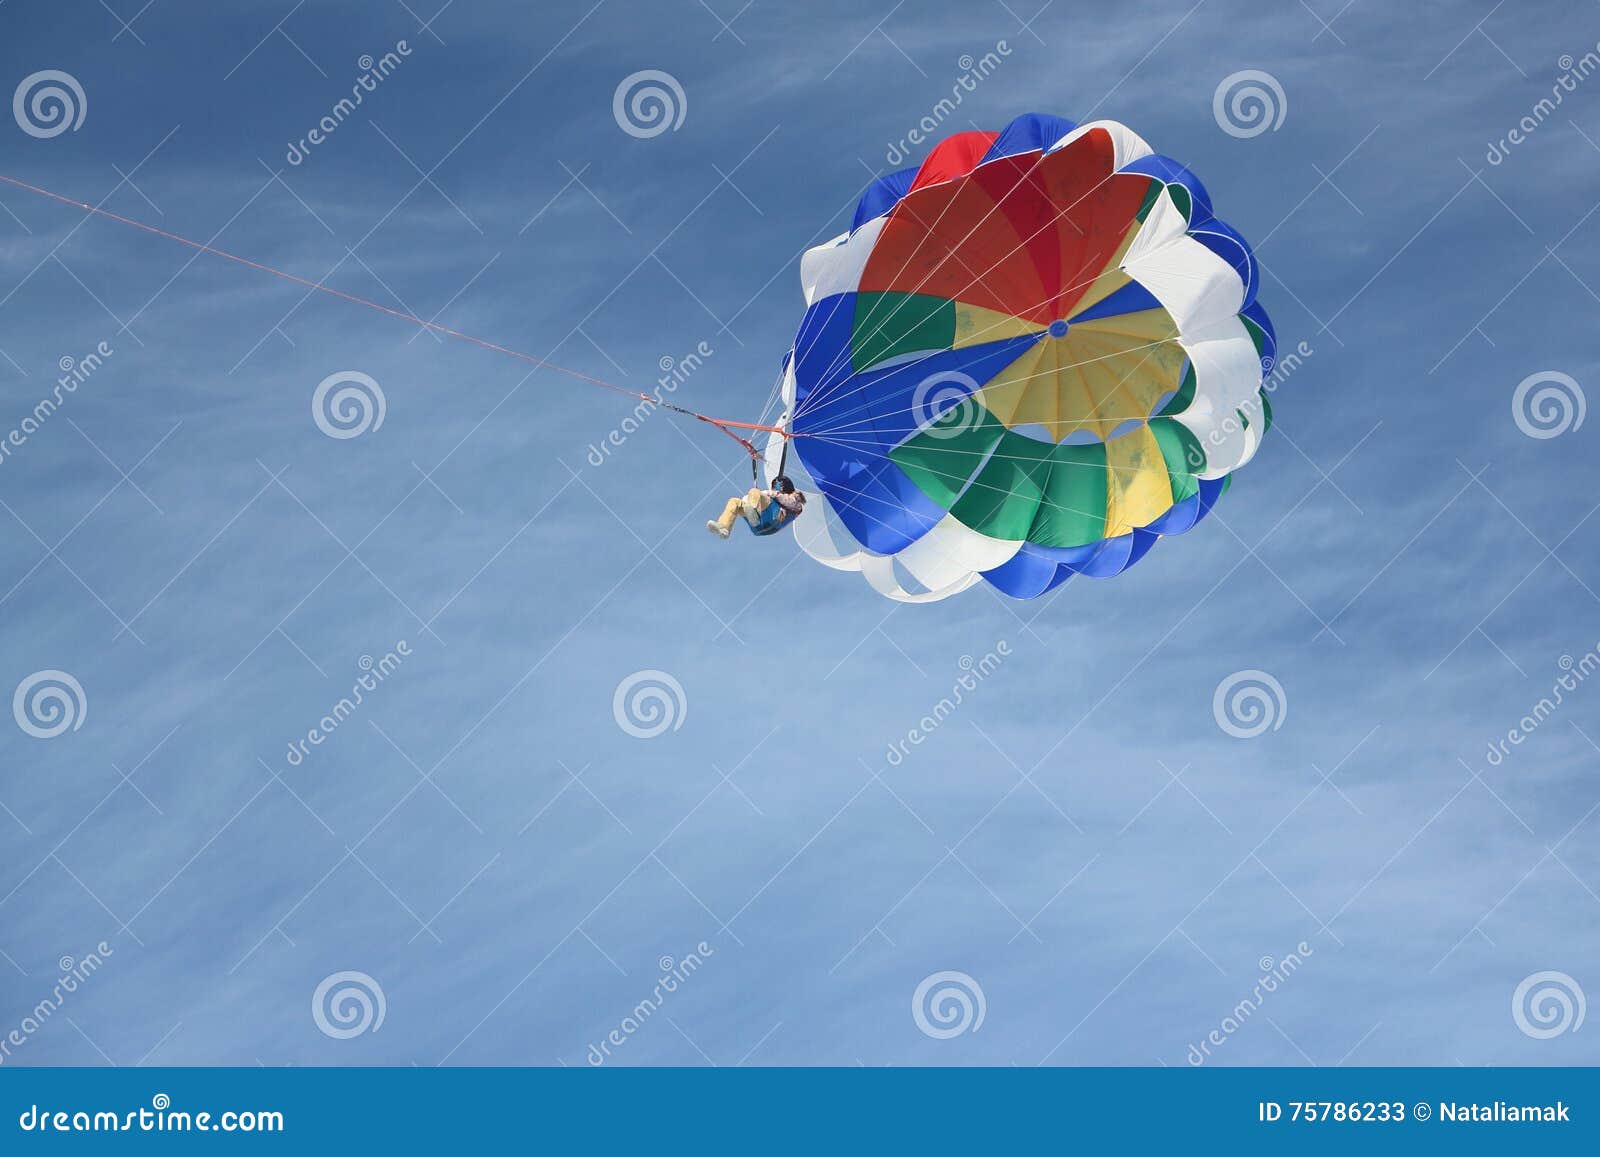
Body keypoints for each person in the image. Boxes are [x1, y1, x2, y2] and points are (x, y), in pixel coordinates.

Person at [708, 476, 806, 539]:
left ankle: (754, 513)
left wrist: (769, 493)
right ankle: (724, 528)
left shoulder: (796, 503)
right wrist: (749, 499)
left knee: (754, 491)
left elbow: (787, 501)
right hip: (759, 526)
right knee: (734, 502)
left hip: (773, 521)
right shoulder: (775, 497)